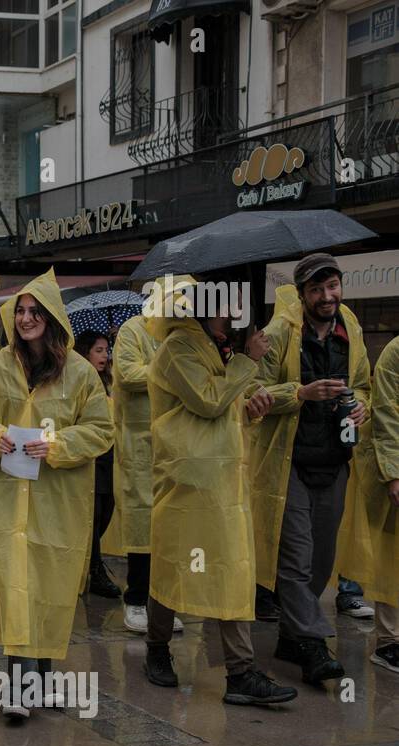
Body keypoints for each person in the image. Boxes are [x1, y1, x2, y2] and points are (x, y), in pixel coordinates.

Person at [143, 274, 297, 706]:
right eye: (223, 306)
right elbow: (208, 400)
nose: (231, 314)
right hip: (187, 483)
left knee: (233, 571)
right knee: (173, 568)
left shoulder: (213, 348)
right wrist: (247, 361)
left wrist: (250, 409)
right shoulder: (178, 348)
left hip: (223, 482)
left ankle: (241, 672)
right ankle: (157, 651)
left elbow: (222, 410)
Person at [0, 271, 113, 720]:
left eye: (35, 311)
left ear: (50, 318)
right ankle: (16, 687)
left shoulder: (80, 372)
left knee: (49, 589)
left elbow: (101, 429)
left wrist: (58, 446)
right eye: (21, 311)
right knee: (15, 587)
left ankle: (45, 681)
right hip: (8, 499)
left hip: (57, 502)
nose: (26, 318)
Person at [248, 254, 371, 686]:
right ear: (301, 294)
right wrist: (300, 392)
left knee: (322, 559)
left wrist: (361, 409)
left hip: (335, 461)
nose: (327, 296)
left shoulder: (350, 328)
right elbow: (253, 393)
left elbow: (366, 386)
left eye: (332, 286)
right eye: (317, 290)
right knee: (296, 558)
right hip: (291, 463)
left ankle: (290, 634)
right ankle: (315, 646)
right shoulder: (279, 333)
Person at [110, 307, 181, 634]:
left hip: (177, 444)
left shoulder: (184, 331)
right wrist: (170, 368)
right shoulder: (132, 330)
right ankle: (136, 599)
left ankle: (164, 604)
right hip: (139, 445)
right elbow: (127, 373)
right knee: (142, 522)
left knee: (172, 526)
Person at [336, 333, 399, 673]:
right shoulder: (395, 353)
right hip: (391, 463)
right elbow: (388, 414)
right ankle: (389, 642)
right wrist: (394, 474)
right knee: (391, 556)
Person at [74, 330, 121, 600]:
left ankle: (91, 565)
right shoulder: (80, 380)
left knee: (105, 512)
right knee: (94, 513)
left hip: (110, 455)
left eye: (106, 350)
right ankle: (94, 569)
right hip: (91, 458)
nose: (105, 356)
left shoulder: (108, 381)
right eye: (99, 350)